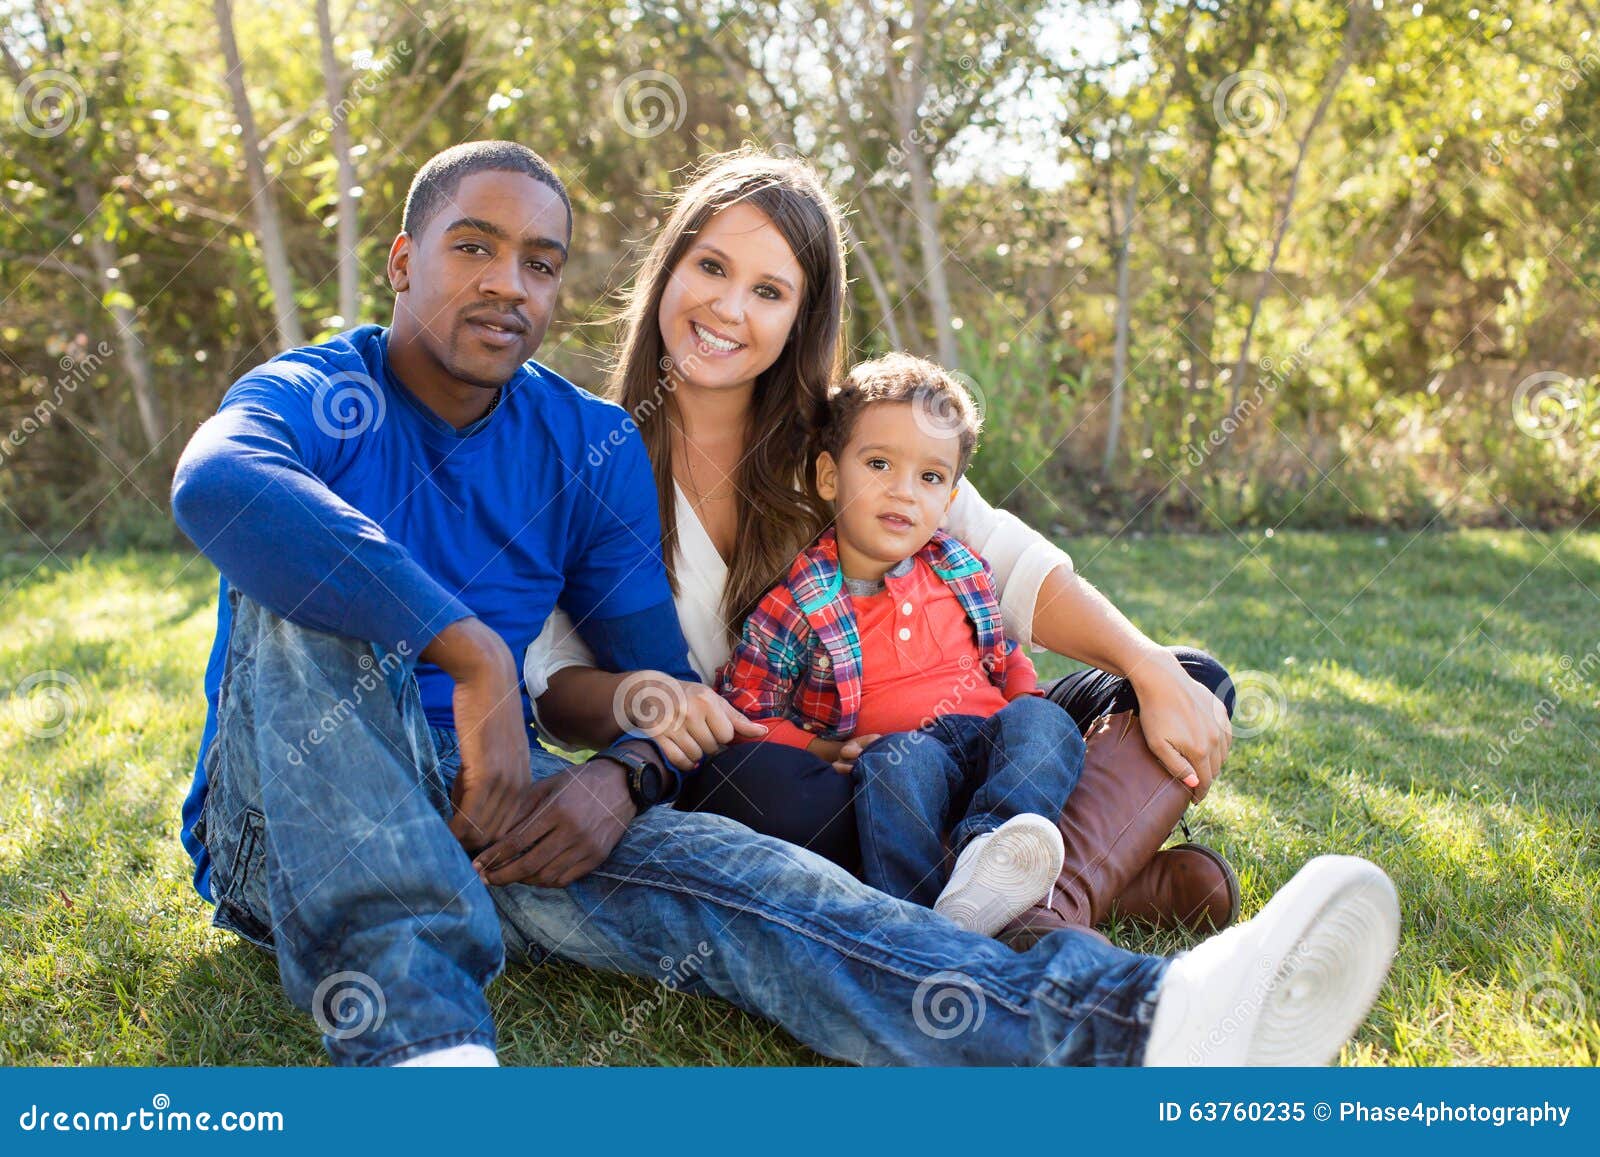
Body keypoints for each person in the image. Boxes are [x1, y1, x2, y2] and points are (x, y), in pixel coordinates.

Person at [172, 140, 1399, 1068]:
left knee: (758, 889)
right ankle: (421, 1045)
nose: (507, 283)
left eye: (537, 262)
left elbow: (664, 687)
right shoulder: (317, 395)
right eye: (471, 248)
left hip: (501, 807)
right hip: (290, 818)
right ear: (402, 260)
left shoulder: (593, 440)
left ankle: (1148, 1018)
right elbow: (220, 482)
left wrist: (620, 774)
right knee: (320, 594)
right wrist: (475, 653)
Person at [526, 150, 1238, 933]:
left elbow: (1008, 562)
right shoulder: (596, 456)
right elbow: (556, 678)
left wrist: (1145, 666)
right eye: (711, 267)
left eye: (768, 291)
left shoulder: (857, 436)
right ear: (669, 267)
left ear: (802, 316)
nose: (729, 308)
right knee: (741, 779)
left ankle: (1041, 904)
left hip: (970, 743)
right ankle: (1083, 881)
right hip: (822, 773)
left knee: (1187, 676)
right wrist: (650, 700)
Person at [717, 353, 1081, 936]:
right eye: (880, 464)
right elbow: (746, 706)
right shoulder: (799, 600)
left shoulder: (961, 568)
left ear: (951, 497)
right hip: (908, 753)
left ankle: (993, 851)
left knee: (1047, 723)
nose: (903, 492)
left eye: (929, 477)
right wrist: (815, 749)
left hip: (989, 739)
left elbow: (1006, 654)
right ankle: (922, 919)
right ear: (830, 476)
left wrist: (1024, 704)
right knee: (889, 769)